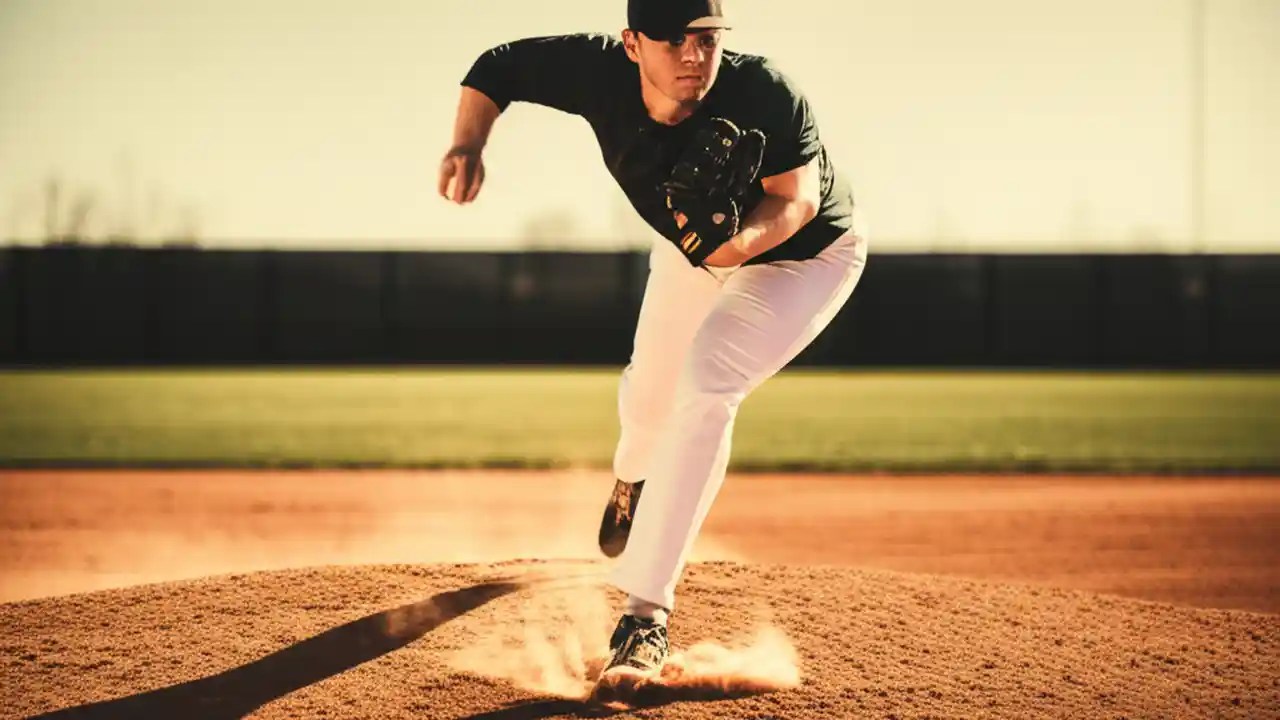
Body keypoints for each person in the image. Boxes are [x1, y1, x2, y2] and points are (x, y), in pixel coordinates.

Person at [439, 0, 868, 689]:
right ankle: (632, 479)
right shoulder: (594, 72)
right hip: (691, 250)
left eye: (706, 38)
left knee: (707, 386)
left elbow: (797, 200)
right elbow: (497, 67)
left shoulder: (765, 89)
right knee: (648, 398)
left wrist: (734, 244)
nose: (695, 55)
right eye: (674, 41)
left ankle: (645, 614)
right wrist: (468, 143)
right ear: (633, 43)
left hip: (802, 258)